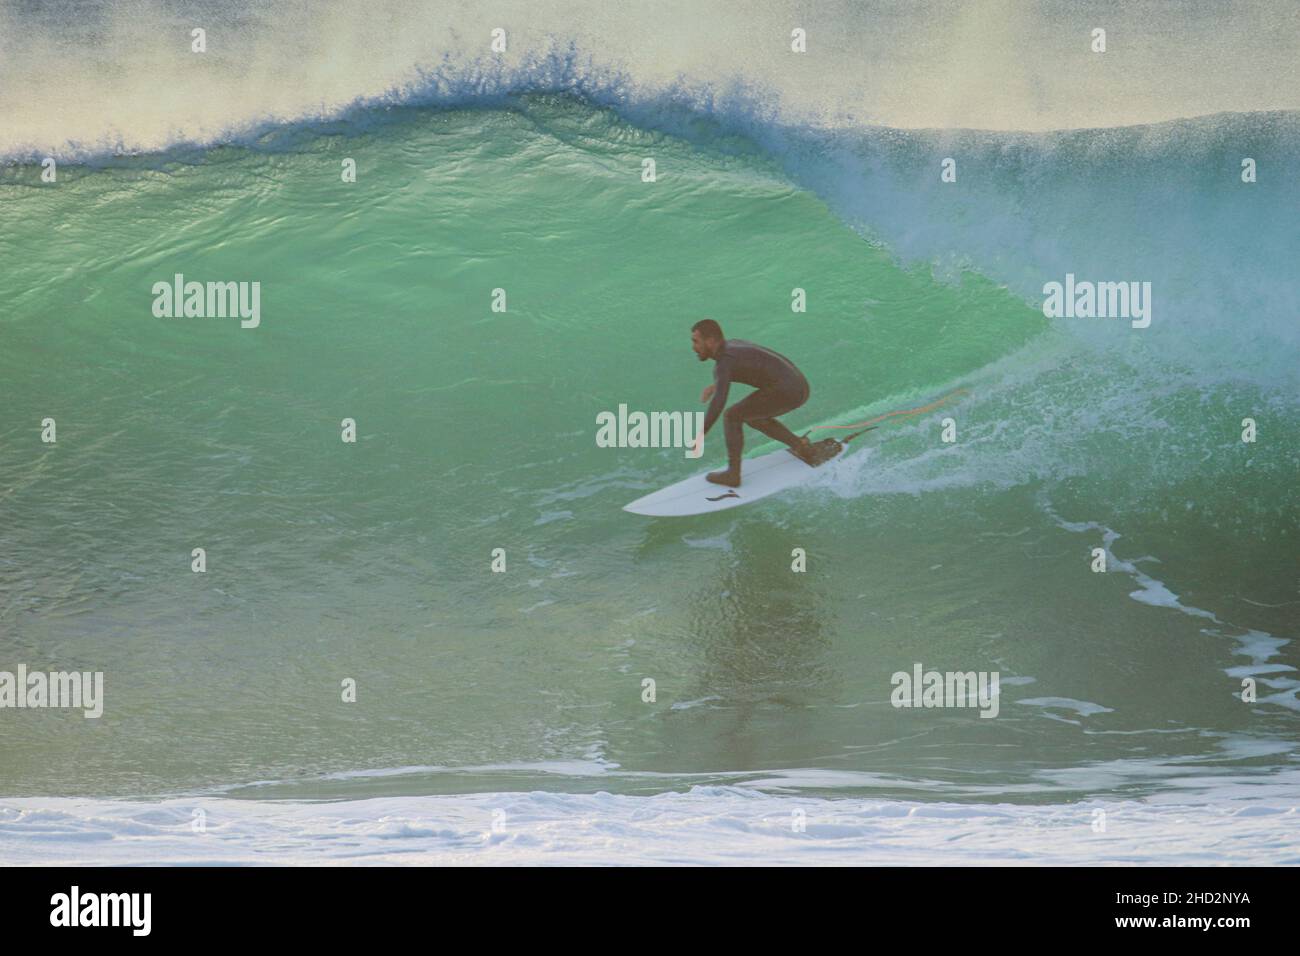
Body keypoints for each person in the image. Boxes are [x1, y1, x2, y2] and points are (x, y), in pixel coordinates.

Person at [690, 318, 815, 487]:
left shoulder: (723, 364)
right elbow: (754, 362)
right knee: (752, 416)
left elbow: (719, 403)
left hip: (787, 391)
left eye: (696, 341)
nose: (693, 347)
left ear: (710, 341)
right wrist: (717, 385)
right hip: (798, 385)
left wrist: (700, 435)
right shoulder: (733, 345)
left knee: (731, 416)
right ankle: (800, 446)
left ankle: (733, 475)